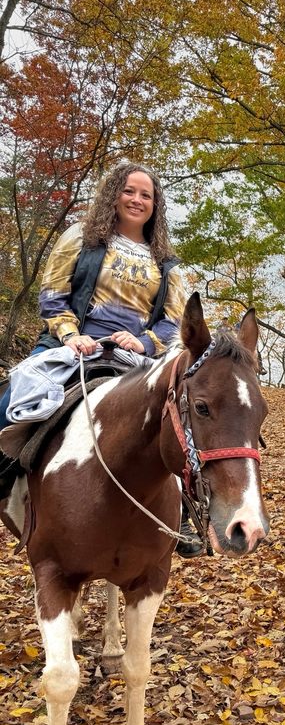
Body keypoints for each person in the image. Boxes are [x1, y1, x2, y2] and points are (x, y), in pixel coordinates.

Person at [0, 162, 201, 557]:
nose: (137, 200)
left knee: (185, 419)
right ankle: (7, 480)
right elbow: (53, 295)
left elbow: (172, 321)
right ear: (113, 194)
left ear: (155, 205)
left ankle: (185, 513)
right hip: (74, 344)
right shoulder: (80, 239)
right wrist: (73, 335)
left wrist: (143, 341)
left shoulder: (167, 263)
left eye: (146, 195)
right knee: (9, 399)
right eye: (130, 191)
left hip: (136, 355)